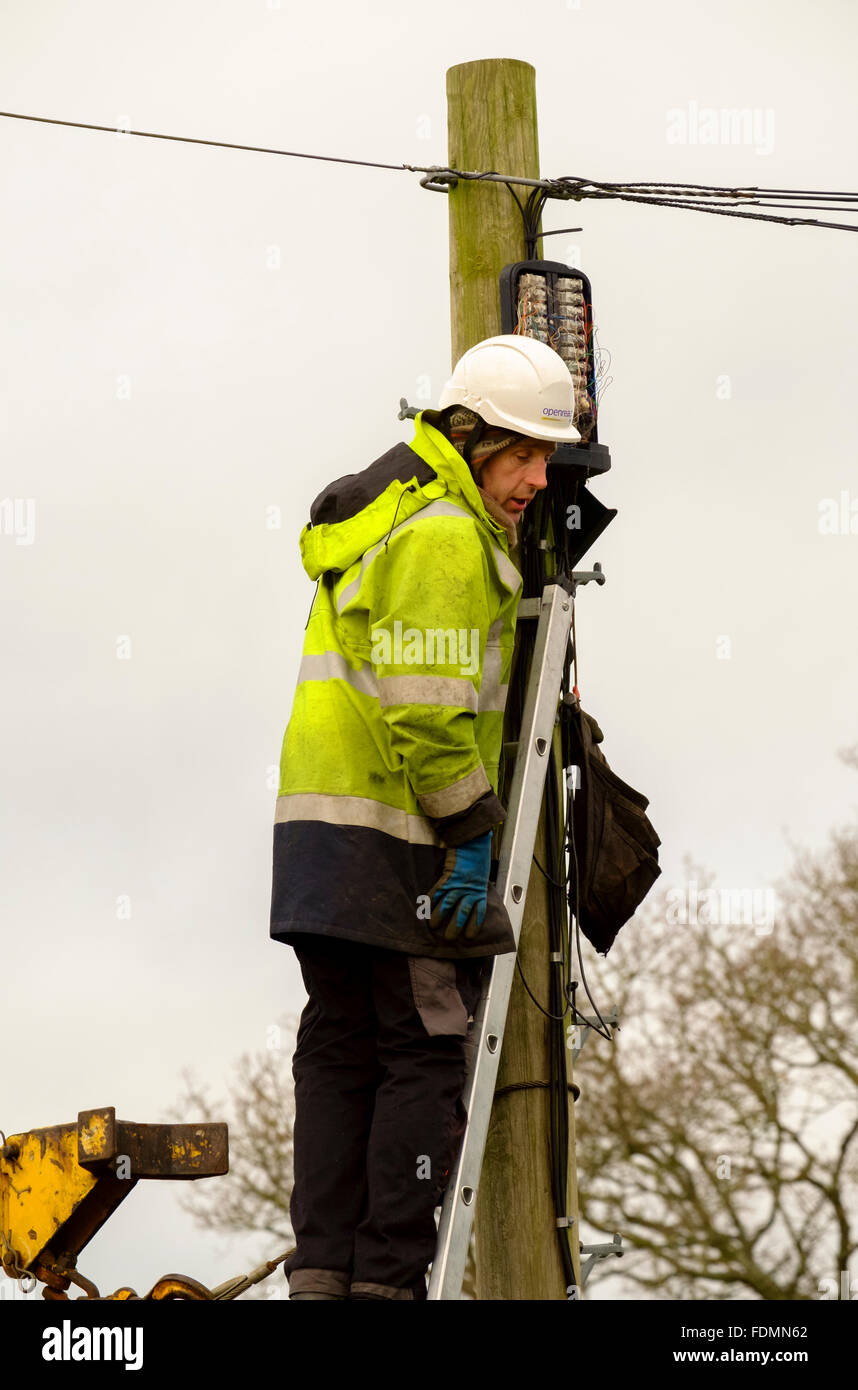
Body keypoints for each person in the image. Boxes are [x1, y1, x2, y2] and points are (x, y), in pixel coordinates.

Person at [270, 334, 580, 1300]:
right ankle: (389, 1281)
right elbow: (429, 709)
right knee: (427, 1047)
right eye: (523, 454)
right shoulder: (445, 534)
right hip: (398, 837)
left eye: (546, 458)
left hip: (320, 842)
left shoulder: (385, 517)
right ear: (470, 435)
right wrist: (473, 836)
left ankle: (323, 1270)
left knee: (342, 1048)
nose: (537, 477)